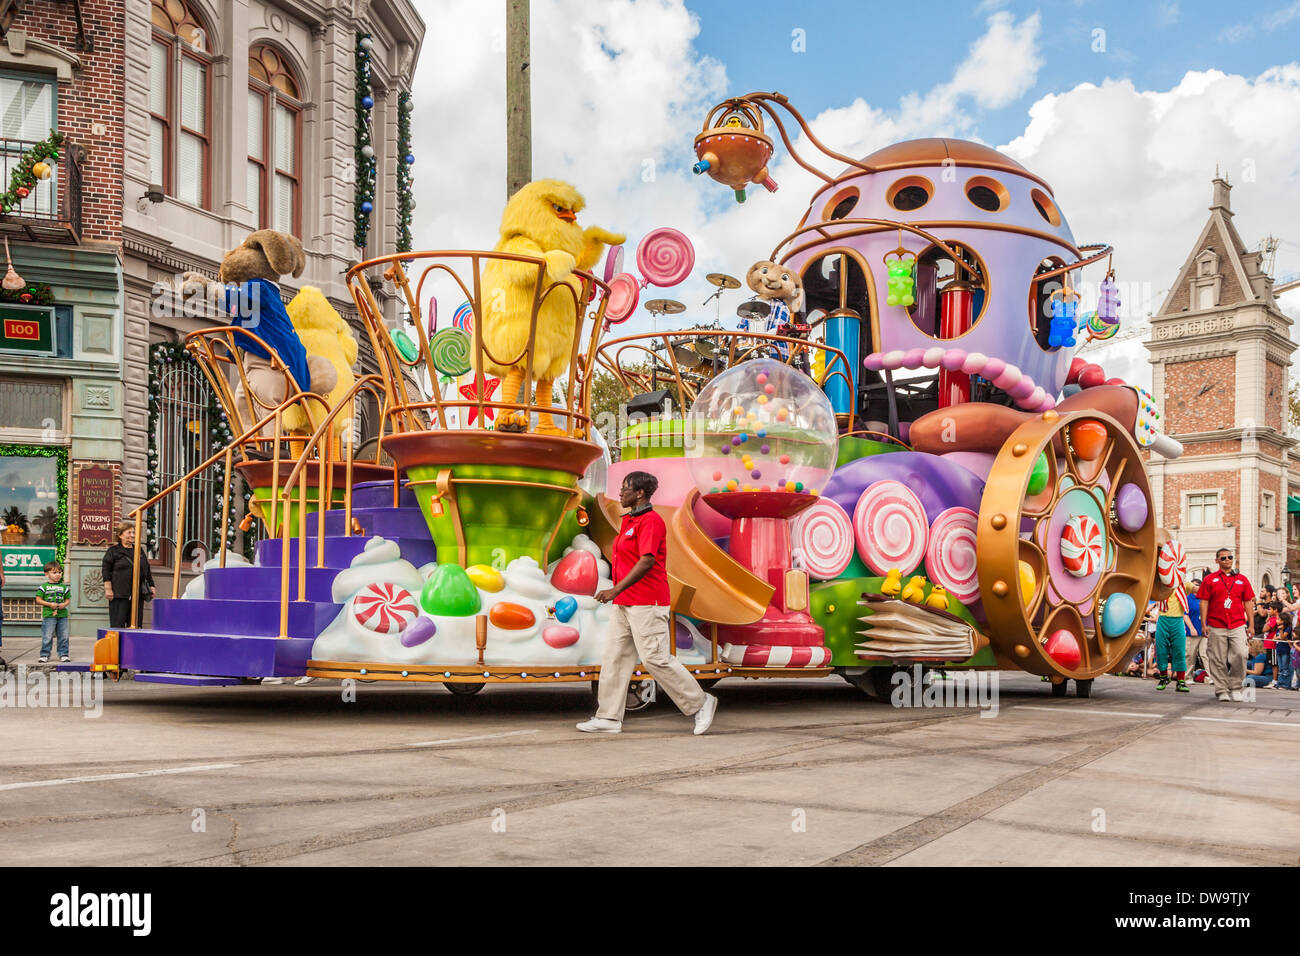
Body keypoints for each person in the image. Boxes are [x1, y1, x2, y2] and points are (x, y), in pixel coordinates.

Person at [577, 471, 717, 736]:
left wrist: (614, 589)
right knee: (615, 658)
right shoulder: (629, 520)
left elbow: (647, 560)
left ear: (640, 493)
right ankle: (608, 717)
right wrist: (617, 593)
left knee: (655, 658)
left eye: (625, 488)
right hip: (625, 602)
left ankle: (700, 703)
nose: (620, 493)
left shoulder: (651, 521)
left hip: (647, 602)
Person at [1197, 548, 1255, 702]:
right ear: (1217, 561)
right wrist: (1204, 624)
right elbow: (1204, 602)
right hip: (1216, 624)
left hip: (1237, 624)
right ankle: (1221, 689)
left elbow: (1248, 602)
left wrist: (1251, 625)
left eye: (1230, 557)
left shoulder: (1242, 579)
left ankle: (1236, 687)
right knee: (1217, 658)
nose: (1227, 560)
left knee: (1241, 654)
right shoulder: (1210, 579)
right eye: (1223, 558)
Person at [102, 523, 155, 629]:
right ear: (120, 535)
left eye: (133, 532)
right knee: (118, 624)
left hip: (137, 594)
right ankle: (118, 645)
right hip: (119, 594)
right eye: (129, 532)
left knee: (136, 624)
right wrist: (108, 588)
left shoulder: (138, 550)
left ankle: (133, 645)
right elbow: (106, 570)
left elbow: (146, 569)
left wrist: (152, 585)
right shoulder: (113, 551)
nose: (132, 535)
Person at [1154, 583, 1193, 692]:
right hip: (1163, 619)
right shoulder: (1160, 585)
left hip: (1177, 620)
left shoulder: (1184, 585)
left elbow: (1197, 589)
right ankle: (1163, 677)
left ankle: (1181, 681)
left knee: (1179, 651)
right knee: (1161, 650)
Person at [35, 561, 71, 663]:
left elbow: (67, 599)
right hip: (49, 615)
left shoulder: (64, 587)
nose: (57, 575)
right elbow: (38, 599)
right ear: (47, 574)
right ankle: (44, 654)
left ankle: (63, 654)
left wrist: (64, 604)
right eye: (54, 573)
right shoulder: (44, 587)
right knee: (47, 635)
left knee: (63, 636)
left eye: (59, 572)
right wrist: (49, 604)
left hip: (62, 615)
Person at [1185, 577, 1205, 678]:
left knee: (1206, 654)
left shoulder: (1204, 598)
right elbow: (1185, 614)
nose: (1195, 587)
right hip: (1192, 631)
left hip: (1204, 631)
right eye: (1193, 585)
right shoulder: (1187, 598)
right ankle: (1187, 676)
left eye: (1197, 585)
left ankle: (1211, 677)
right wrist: (1191, 628)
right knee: (1190, 655)